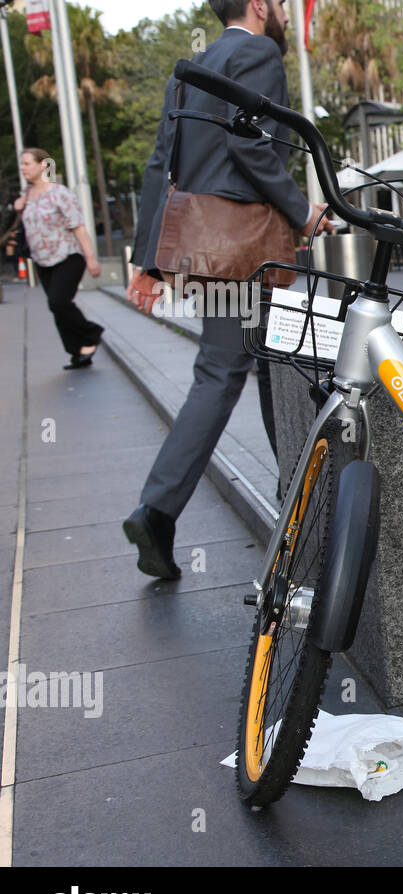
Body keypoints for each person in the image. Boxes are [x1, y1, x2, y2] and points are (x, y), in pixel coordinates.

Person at [123, 0, 331, 581]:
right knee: (268, 365)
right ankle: (294, 507)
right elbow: (250, 143)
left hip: (206, 246)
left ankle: (160, 510)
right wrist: (302, 211)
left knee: (232, 370)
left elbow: (160, 163)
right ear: (261, 6)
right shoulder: (260, 52)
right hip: (250, 245)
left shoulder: (192, 65)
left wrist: (149, 261)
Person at [14, 149, 103, 369]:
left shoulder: (60, 193)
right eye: (22, 164)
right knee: (56, 307)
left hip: (67, 256)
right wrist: (19, 209)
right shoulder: (26, 194)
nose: (23, 168)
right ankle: (78, 351)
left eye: (27, 163)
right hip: (42, 260)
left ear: (43, 165)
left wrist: (91, 258)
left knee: (59, 302)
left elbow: (78, 226)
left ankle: (92, 333)